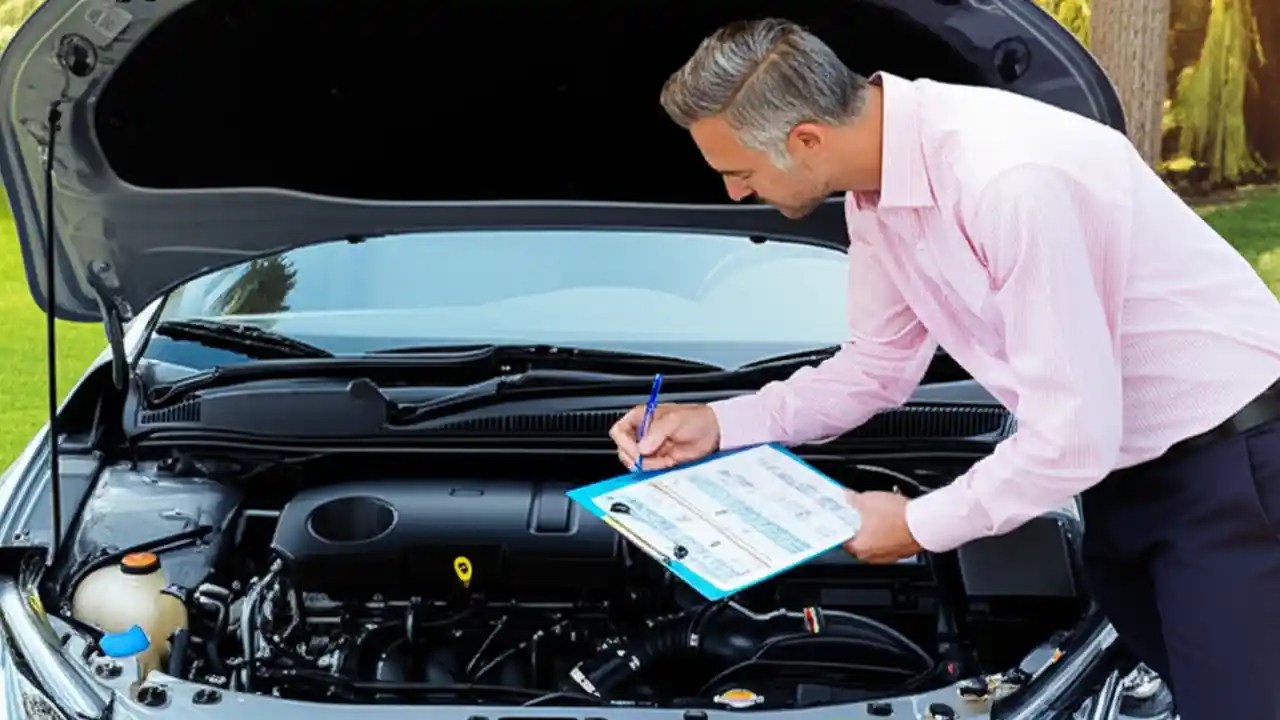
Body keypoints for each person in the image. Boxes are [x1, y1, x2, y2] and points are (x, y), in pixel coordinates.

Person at [608, 17, 1280, 720]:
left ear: (806, 139)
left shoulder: (1008, 181)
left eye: (739, 172)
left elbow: (1072, 437)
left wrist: (917, 524)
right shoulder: (876, 190)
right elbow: (876, 366)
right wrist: (721, 423)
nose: (734, 194)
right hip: (1126, 480)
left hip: (1232, 477)